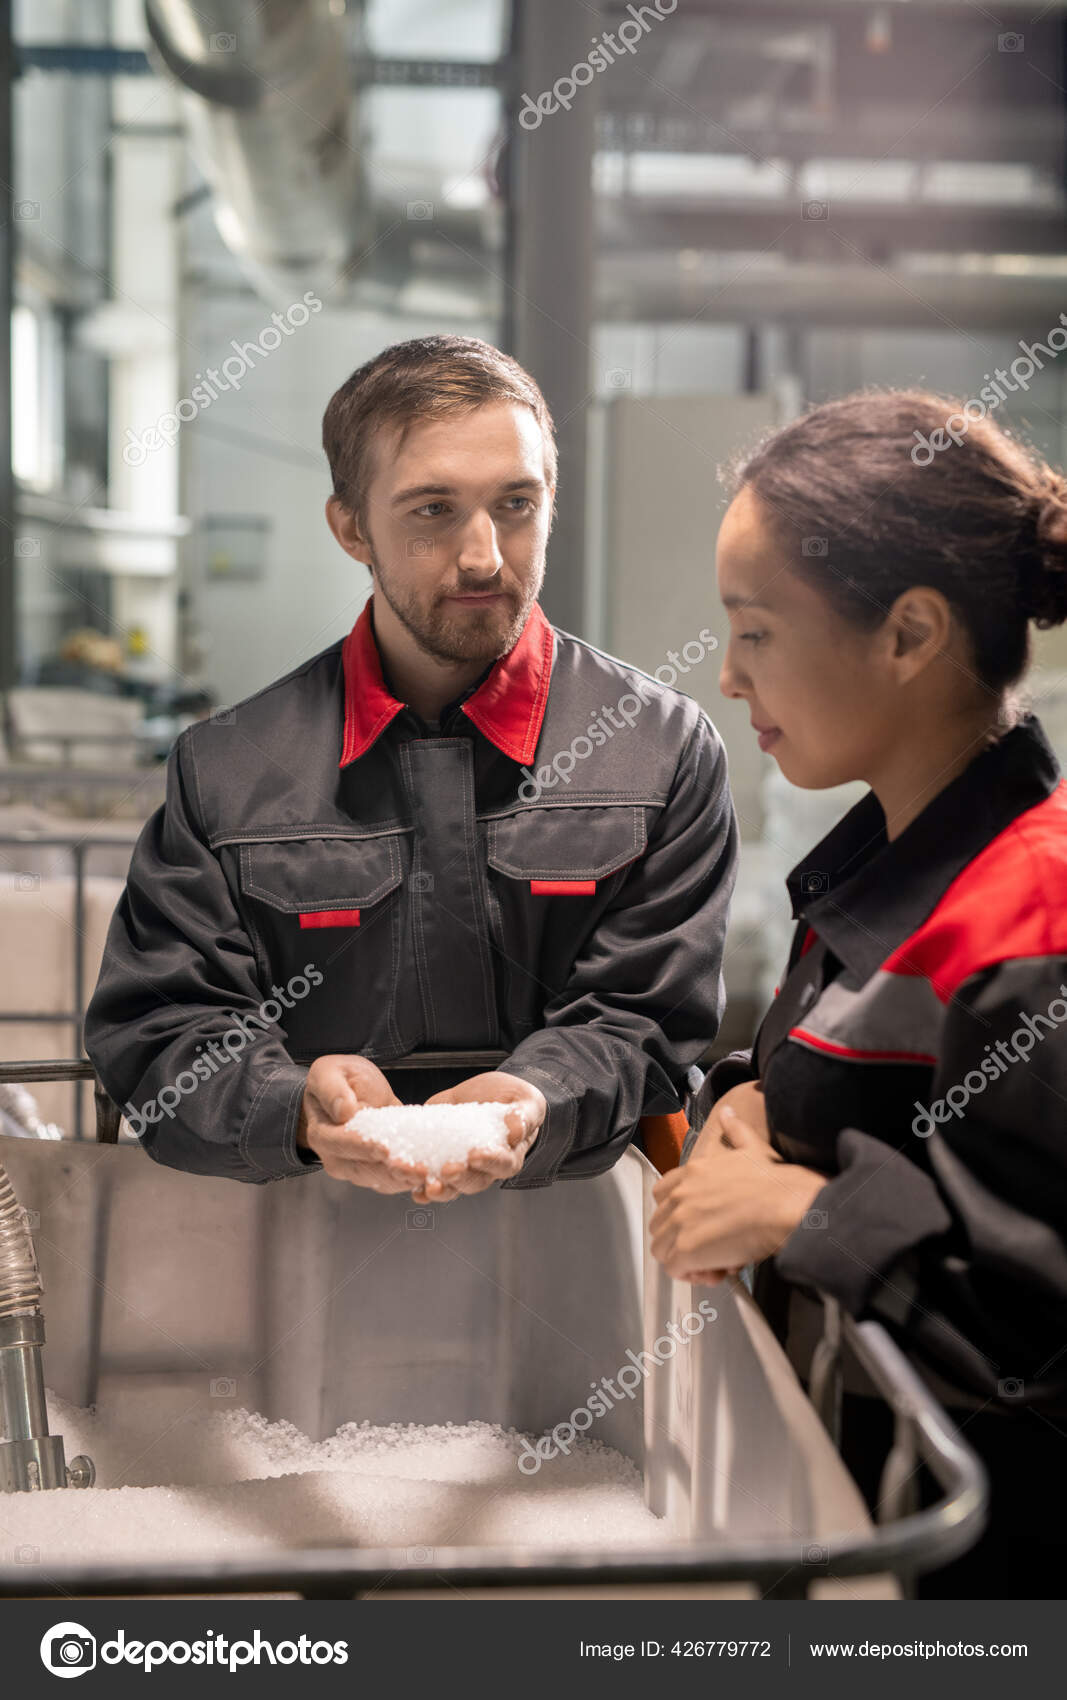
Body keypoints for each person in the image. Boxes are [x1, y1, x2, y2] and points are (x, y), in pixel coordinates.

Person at [85, 334, 738, 1204]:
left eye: (515, 503)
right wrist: (293, 1107)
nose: (482, 556)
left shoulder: (659, 752)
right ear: (351, 526)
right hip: (294, 1241)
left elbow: (645, 1017)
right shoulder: (228, 771)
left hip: (576, 1243)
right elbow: (162, 1029)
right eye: (433, 509)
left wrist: (539, 1096)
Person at [650, 388, 1067, 1599]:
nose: (725, 674)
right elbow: (882, 1115)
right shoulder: (887, 860)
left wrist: (799, 1216)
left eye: (757, 630)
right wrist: (752, 1101)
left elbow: (1037, 1344)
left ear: (907, 633)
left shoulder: (1027, 920)